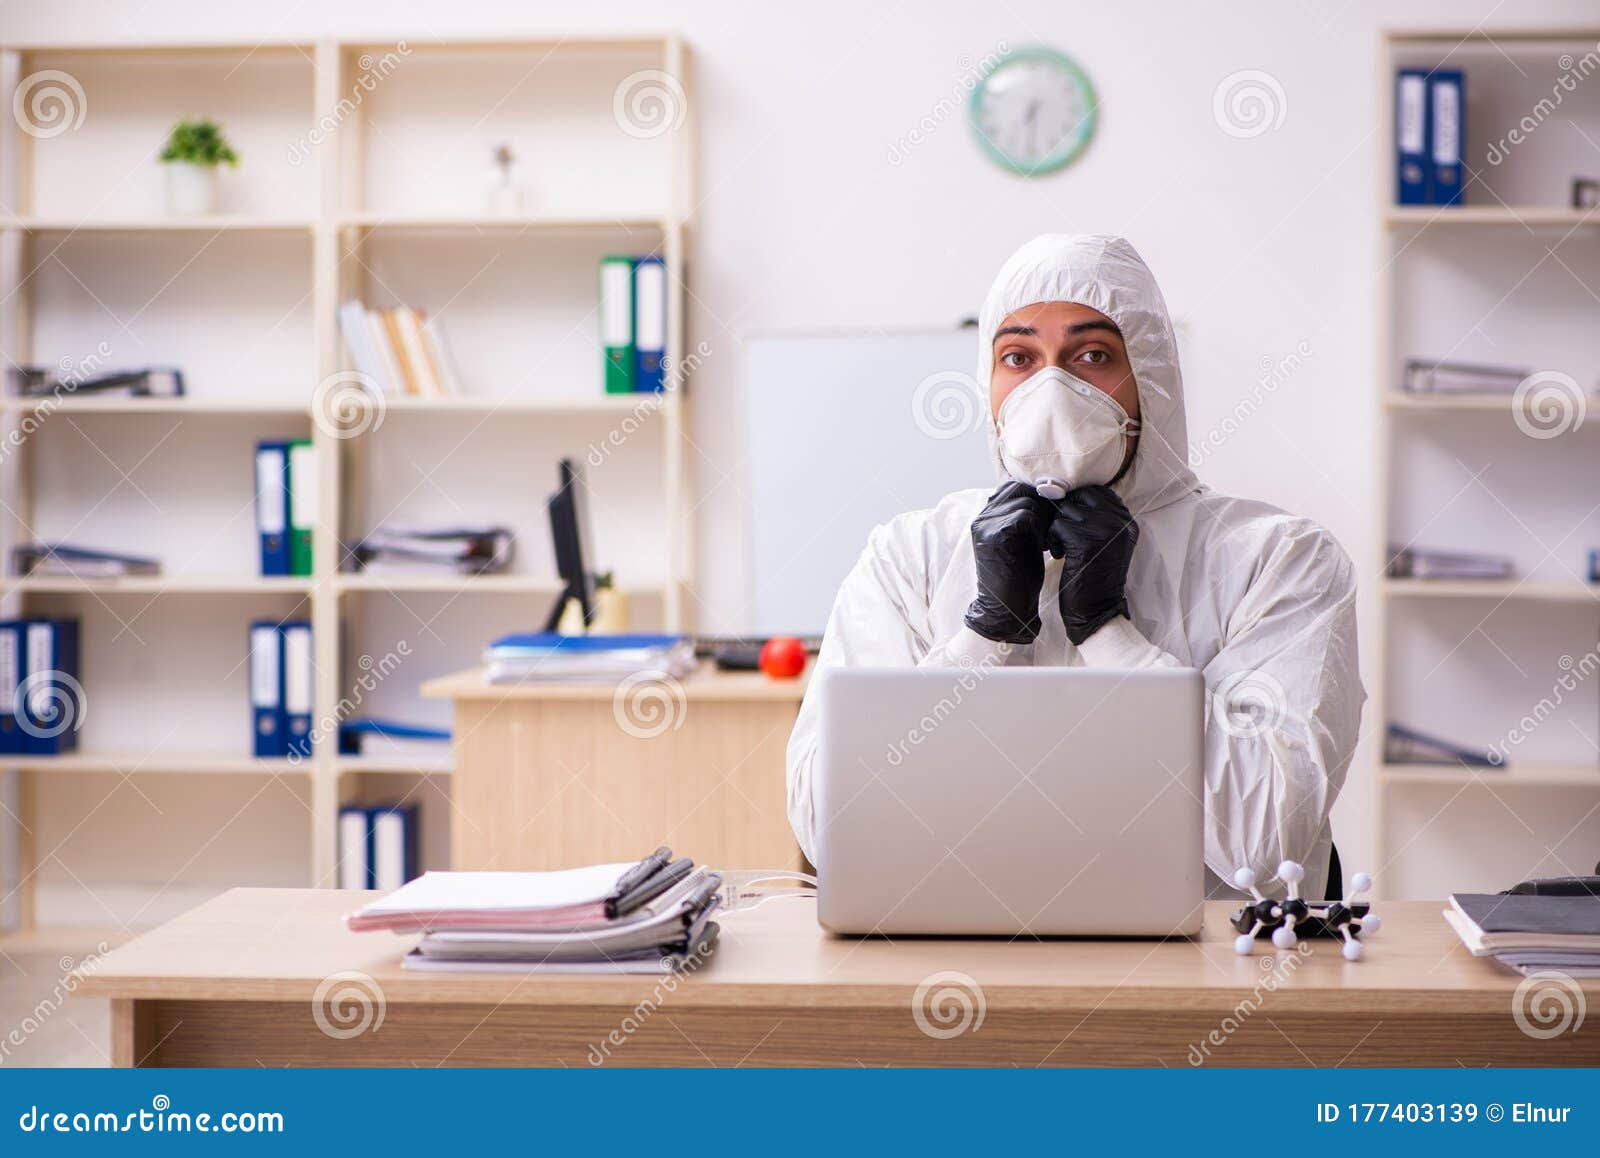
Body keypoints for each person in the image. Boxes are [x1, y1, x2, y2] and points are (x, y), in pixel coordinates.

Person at [785, 234, 1364, 899]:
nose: (1051, 388)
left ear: (1151, 380)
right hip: (959, 965)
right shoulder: (910, 556)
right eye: (1018, 357)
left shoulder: (1278, 560)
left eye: (1092, 355)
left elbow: (1264, 842)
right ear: (989, 384)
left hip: (1209, 984)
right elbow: (833, 830)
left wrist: (1110, 637)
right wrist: (981, 636)